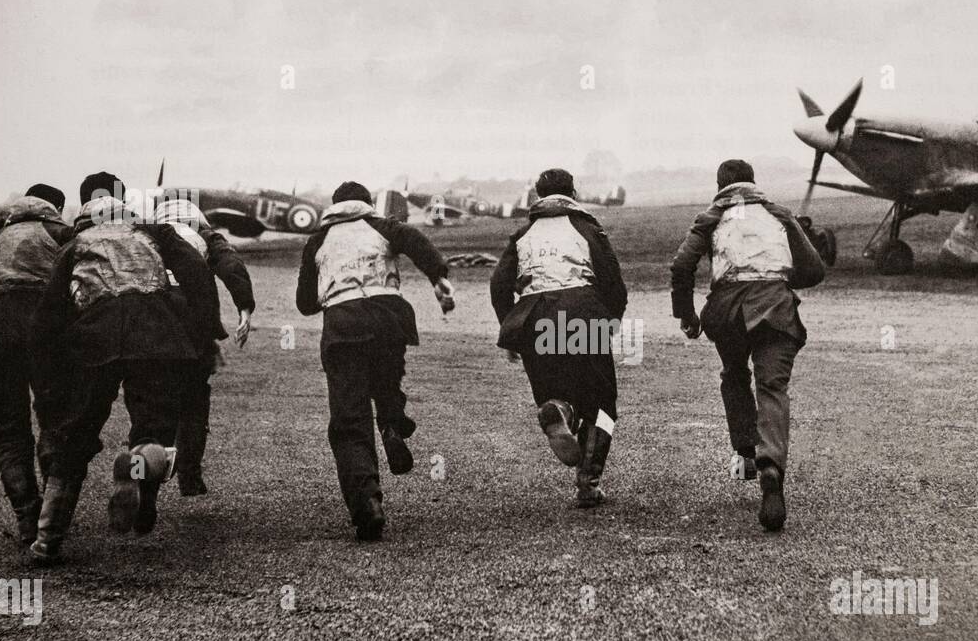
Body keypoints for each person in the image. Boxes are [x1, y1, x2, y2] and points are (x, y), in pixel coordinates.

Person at [29, 172, 221, 563]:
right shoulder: (153, 232)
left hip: (94, 336)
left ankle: (47, 539)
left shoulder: (76, 242)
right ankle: (135, 469)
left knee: (76, 434)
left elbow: (48, 315)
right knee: (152, 428)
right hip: (155, 333)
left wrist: (51, 373)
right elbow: (197, 275)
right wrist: (201, 331)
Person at [670, 159, 826, 531]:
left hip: (726, 310)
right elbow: (814, 269)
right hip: (774, 305)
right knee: (772, 386)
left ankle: (745, 448)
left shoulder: (710, 218)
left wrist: (687, 315)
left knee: (734, 372)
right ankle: (771, 468)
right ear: (754, 183)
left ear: (719, 185)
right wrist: (780, 280)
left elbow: (681, 265)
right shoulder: (779, 214)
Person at [295, 181, 455, 541]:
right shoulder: (384, 226)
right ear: (367, 204)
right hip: (389, 316)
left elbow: (305, 303)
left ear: (334, 207)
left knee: (349, 419)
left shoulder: (318, 241)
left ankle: (367, 503)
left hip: (343, 325)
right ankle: (392, 425)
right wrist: (438, 277)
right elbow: (415, 241)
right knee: (386, 383)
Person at [490, 168, 627, 507]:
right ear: (573, 193)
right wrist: (610, 321)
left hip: (535, 318)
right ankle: (588, 482)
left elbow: (498, 285)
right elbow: (614, 283)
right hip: (582, 311)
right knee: (601, 404)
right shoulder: (588, 229)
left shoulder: (522, 235)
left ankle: (556, 409)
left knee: (556, 390)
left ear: (538, 195)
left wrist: (511, 326)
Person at [0, 184, 72, 549]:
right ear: (55, 207)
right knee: (56, 417)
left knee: (6, 425)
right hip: (44, 329)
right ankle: (50, 518)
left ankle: (27, 515)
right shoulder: (62, 234)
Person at [152, 197, 256, 496]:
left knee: (151, 403)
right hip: (194, 327)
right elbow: (231, 265)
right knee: (194, 401)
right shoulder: (205, 235)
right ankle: (190, 477)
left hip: (153, 325)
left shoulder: (147, 233)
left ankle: (146, 475)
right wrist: (244, 308)